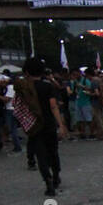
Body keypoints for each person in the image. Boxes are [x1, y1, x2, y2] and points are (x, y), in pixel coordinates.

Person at [21, 58, 68, 196]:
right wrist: (61, 124)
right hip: (49, 124)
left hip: (34, 125)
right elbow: (53, 106)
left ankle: (47, 180)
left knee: (40, 154)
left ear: (27, 71)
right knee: (53, 151)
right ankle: (56, 175)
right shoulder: (47, 86)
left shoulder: (25, 88)